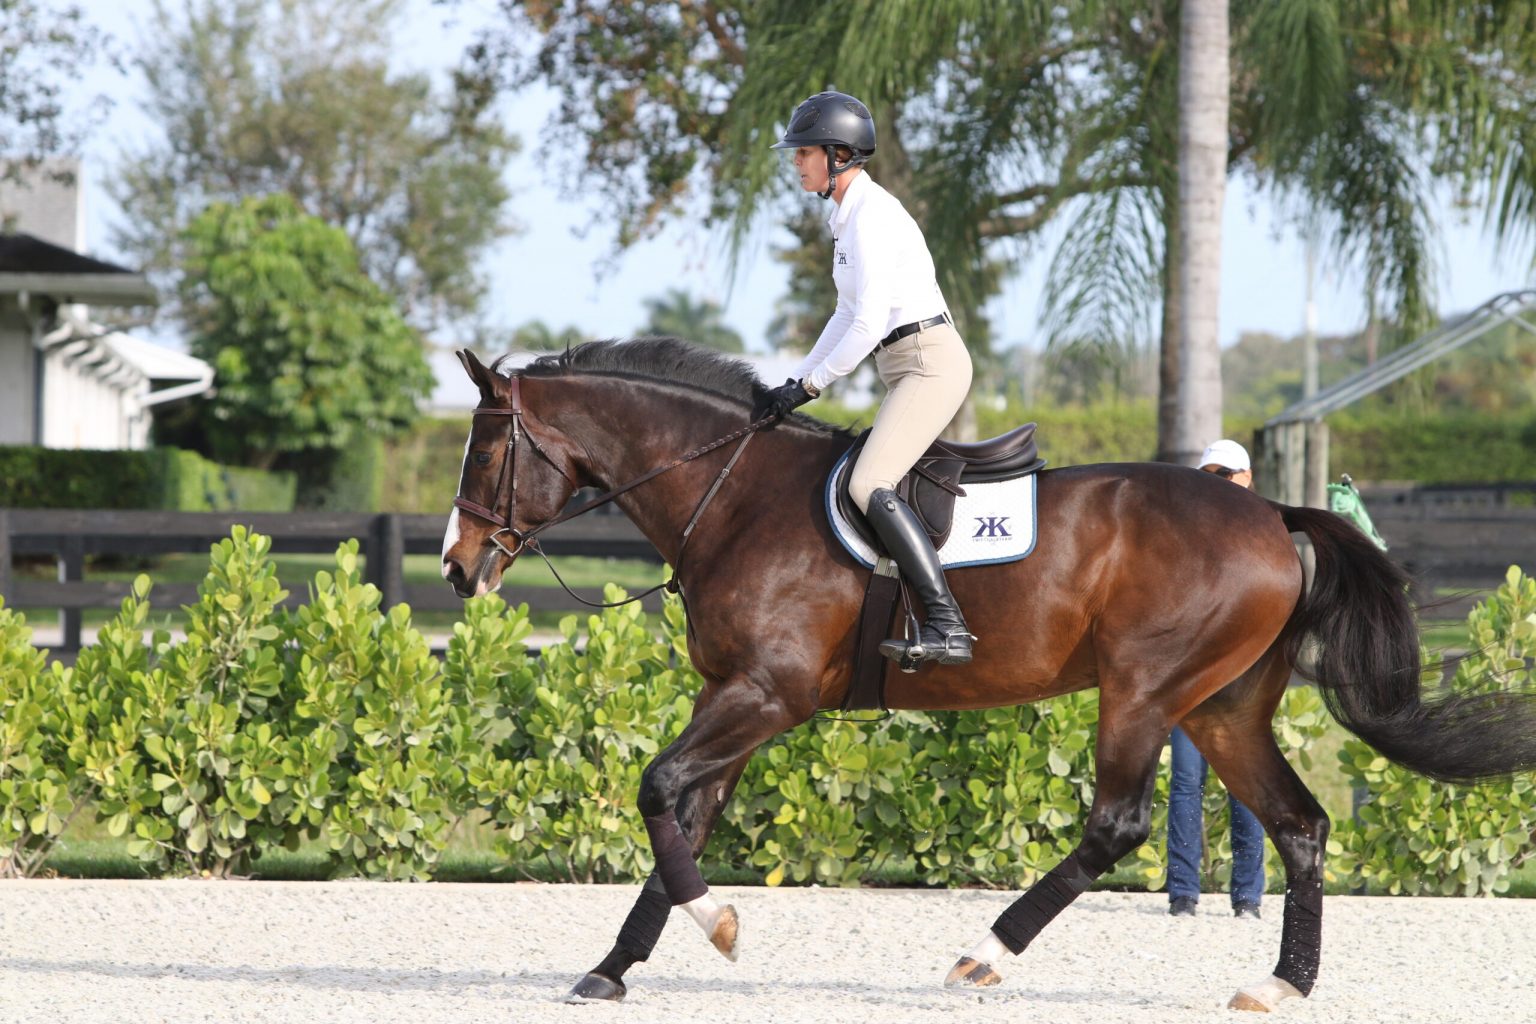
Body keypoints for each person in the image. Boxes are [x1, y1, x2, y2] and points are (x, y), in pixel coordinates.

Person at [752, 90, 975, 665]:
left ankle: (948, 627)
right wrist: (792, 383)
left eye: (804, 153)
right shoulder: (846, 217)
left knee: (865, 483)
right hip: (904, 365)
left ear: (840, 155)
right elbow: (846, 315)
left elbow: (869, 322)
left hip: (927, 362)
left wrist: (810, 386)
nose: (796, 162)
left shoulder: (871, 217)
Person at [1167, 438, 1266, 919]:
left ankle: (1247, 897)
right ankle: (1182, 895)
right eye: (1209, 476)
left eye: (1227, 475)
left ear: (1248, 478)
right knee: (1185, 782)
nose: (1219, 485)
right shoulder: (1189, 537)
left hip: (1242, 681)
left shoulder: (1264, 538)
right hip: (1193, 680)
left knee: (1245, 784)